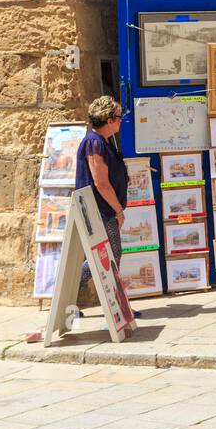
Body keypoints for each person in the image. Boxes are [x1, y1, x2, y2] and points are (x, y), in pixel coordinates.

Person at [74, 95, 139, 317]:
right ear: (109, 119)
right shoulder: (94, 143)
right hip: (101, 211)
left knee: (107, 256)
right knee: (109, 256)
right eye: (119, 118)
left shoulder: (103, 142)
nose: (122, 122)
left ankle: (115, 306)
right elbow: (101, 183)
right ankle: (114, 308)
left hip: (105, 210)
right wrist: (118, 210)